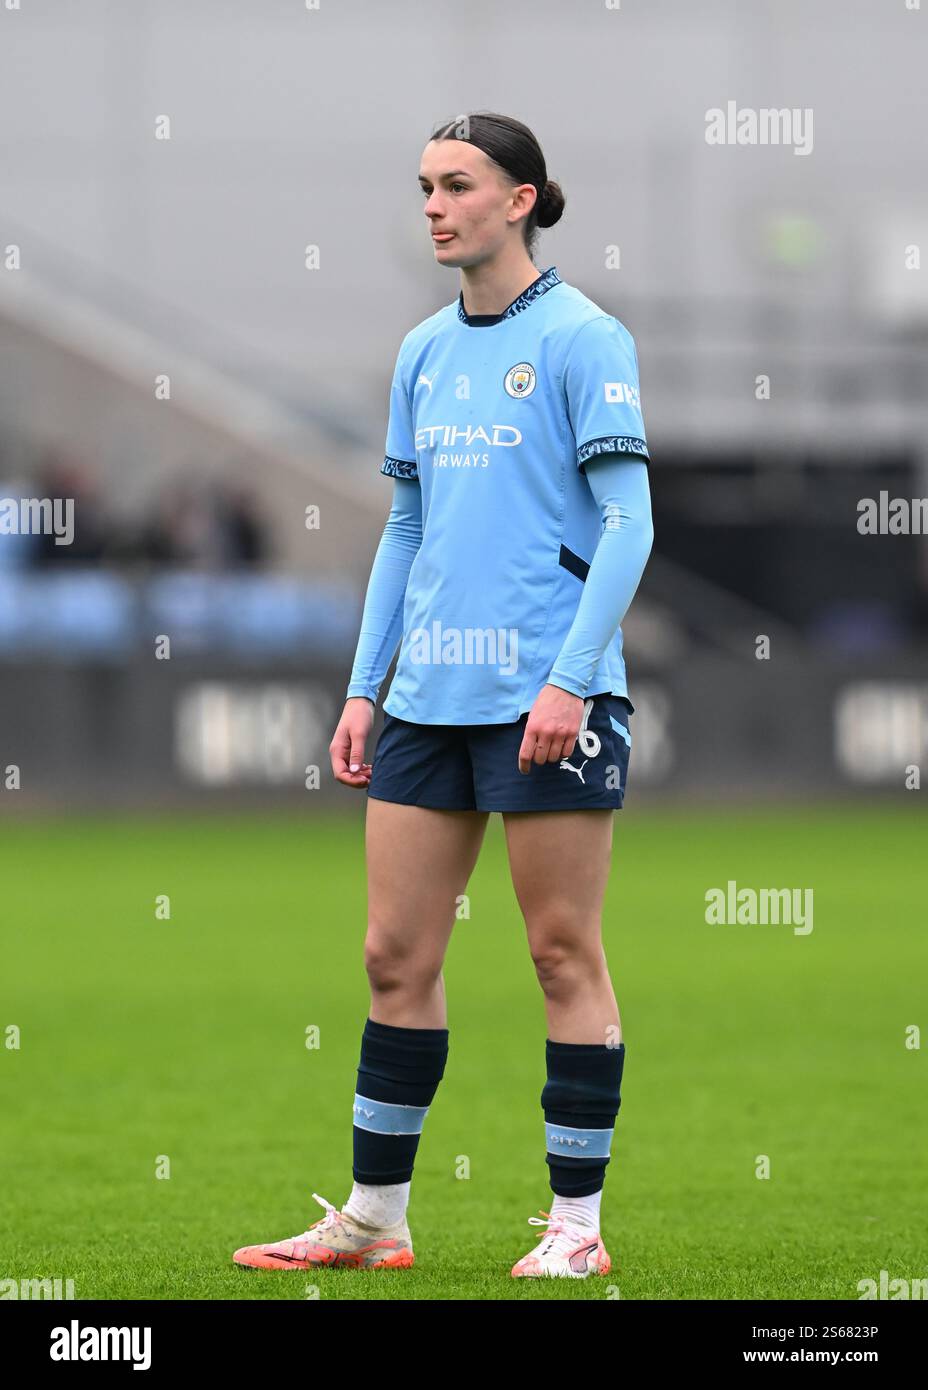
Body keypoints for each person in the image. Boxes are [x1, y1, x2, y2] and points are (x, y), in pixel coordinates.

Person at [233, 111, 654, 1280]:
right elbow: (406, 529)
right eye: (422, 185)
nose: (431, 204)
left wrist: (571, 678)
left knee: (561, 953)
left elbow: (630, 523)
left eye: (455, 185)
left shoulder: (583, 337)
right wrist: (366, 688)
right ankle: (376, 1217)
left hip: (548, 700)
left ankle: (576, 1227)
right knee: (390, 956)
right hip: (426, 698)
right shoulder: (422, 350)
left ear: (519, 199)